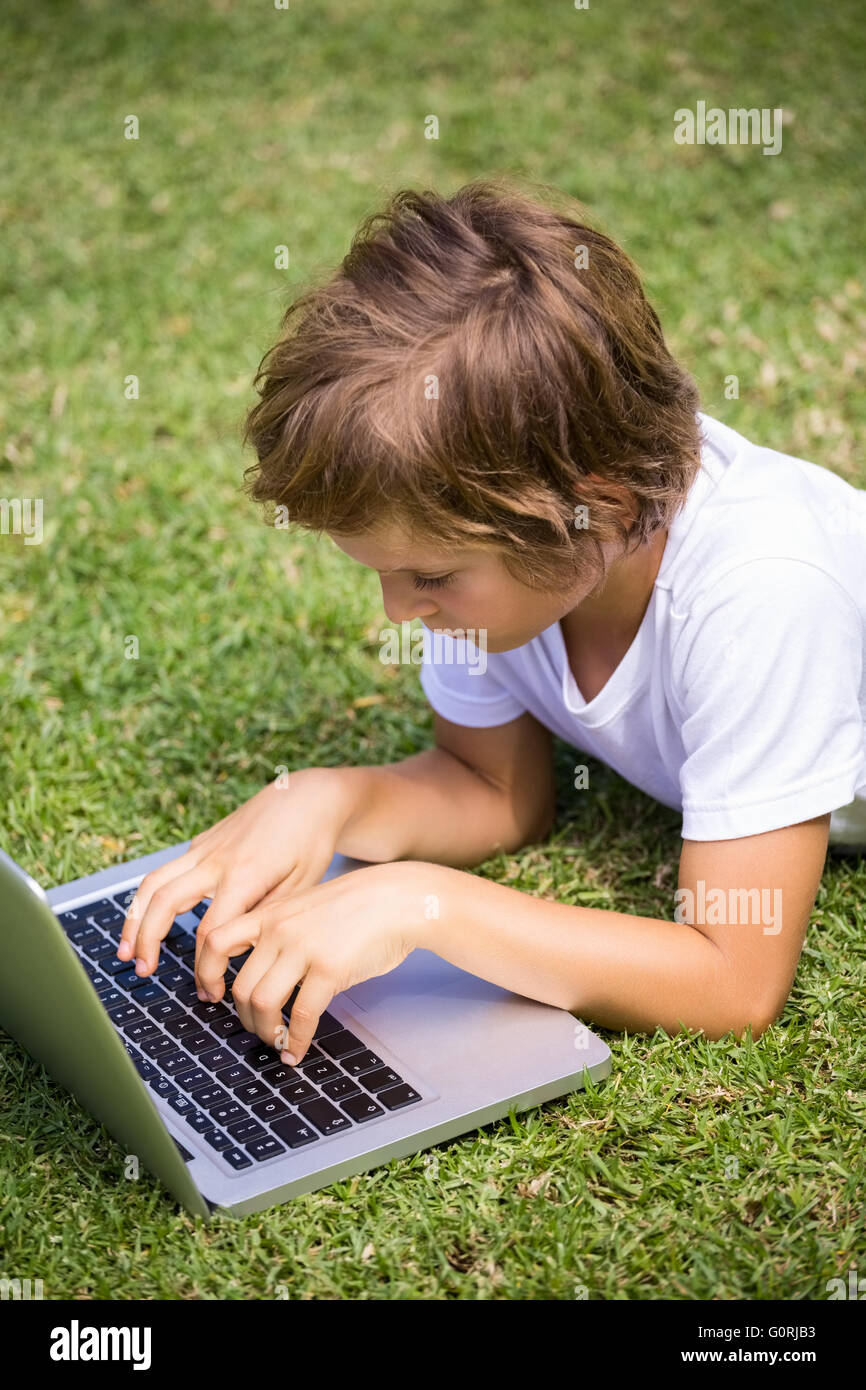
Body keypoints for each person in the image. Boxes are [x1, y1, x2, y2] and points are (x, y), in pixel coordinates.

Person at [116, 180, 866, 1067]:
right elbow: (495, 790)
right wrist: (327, 797)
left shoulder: (761, 592)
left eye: (430, 575)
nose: (399, 611)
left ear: (600, 509)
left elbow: (732, 979)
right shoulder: (520, 564)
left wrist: (427, 906)